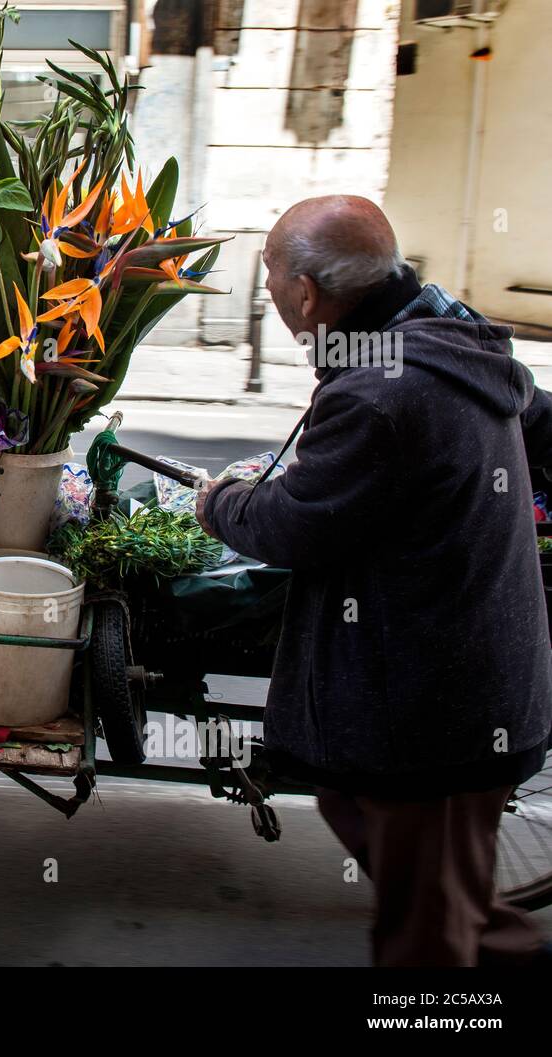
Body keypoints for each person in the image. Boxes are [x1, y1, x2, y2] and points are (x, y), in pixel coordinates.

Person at [195, 195, 552, 967]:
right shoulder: (451, 338)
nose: (268, 293)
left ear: (306, 294)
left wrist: (217, 500)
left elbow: (289, 524)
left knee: (428, 936)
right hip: (463, 687)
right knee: (435, 890)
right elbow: (536, 412)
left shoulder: (382, 391)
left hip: (436, 714)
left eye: (269, 275)